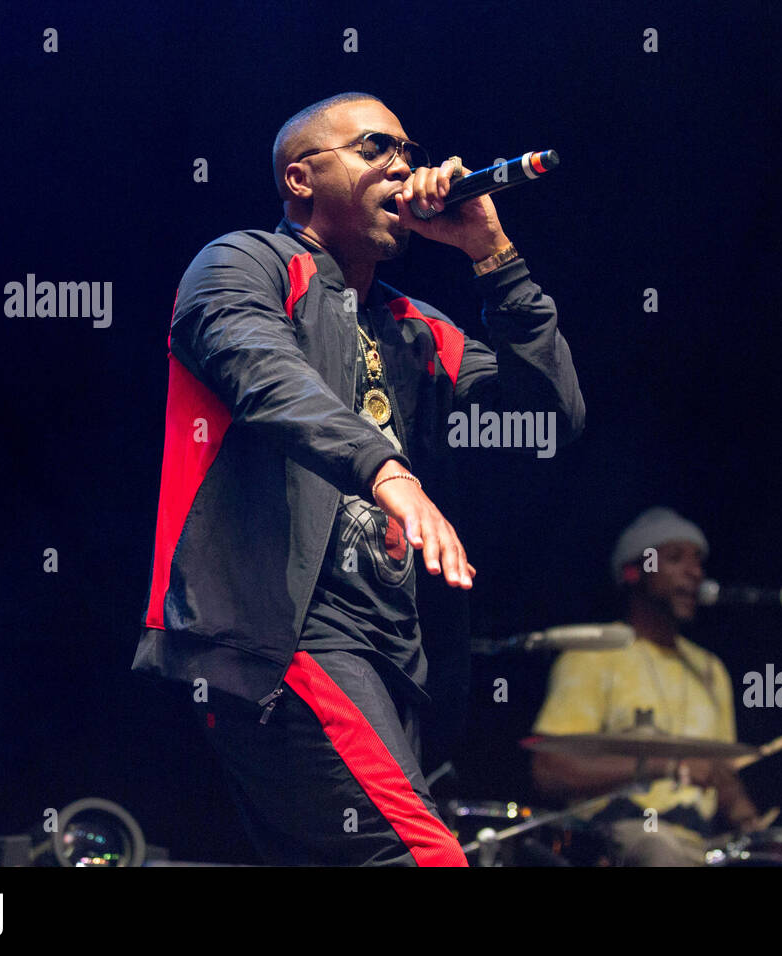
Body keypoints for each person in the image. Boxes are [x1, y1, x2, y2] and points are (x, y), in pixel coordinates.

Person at [132, 92, 584, 865]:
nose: (403, 166)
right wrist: (386, 470)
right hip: (289, 641)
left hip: (392, 661)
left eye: (408, 150)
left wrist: (492, 255)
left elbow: (549, 412)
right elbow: (261, 372)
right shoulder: (244, 264)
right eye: (377, 147)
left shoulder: (417, 326)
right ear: (301, 178)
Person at [530, 507, 760, 866]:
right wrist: (667, 767)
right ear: (634, 572)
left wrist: (746, 815)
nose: (695, 572)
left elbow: (719, 774)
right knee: (659, 848)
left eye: (698, 561)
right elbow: (550, 770)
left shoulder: (711, 669)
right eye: (675, 559)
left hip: (702, 841)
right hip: (619, 835)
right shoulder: (594, 655)